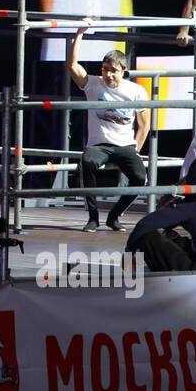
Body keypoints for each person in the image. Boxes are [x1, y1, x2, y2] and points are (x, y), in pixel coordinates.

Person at [67, 19, 150, 232]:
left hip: (125, 145)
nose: (108, 74)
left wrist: (135, 151)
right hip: (99, 145)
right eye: (105, 69)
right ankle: (93, 217)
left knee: (140, 178)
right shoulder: (93, 84)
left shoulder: (136, 91)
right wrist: (80, 33)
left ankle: (114, 216)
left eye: (113, 70)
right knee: (87, 163)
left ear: (123, 70)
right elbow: (72, 65)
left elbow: (144, 126)